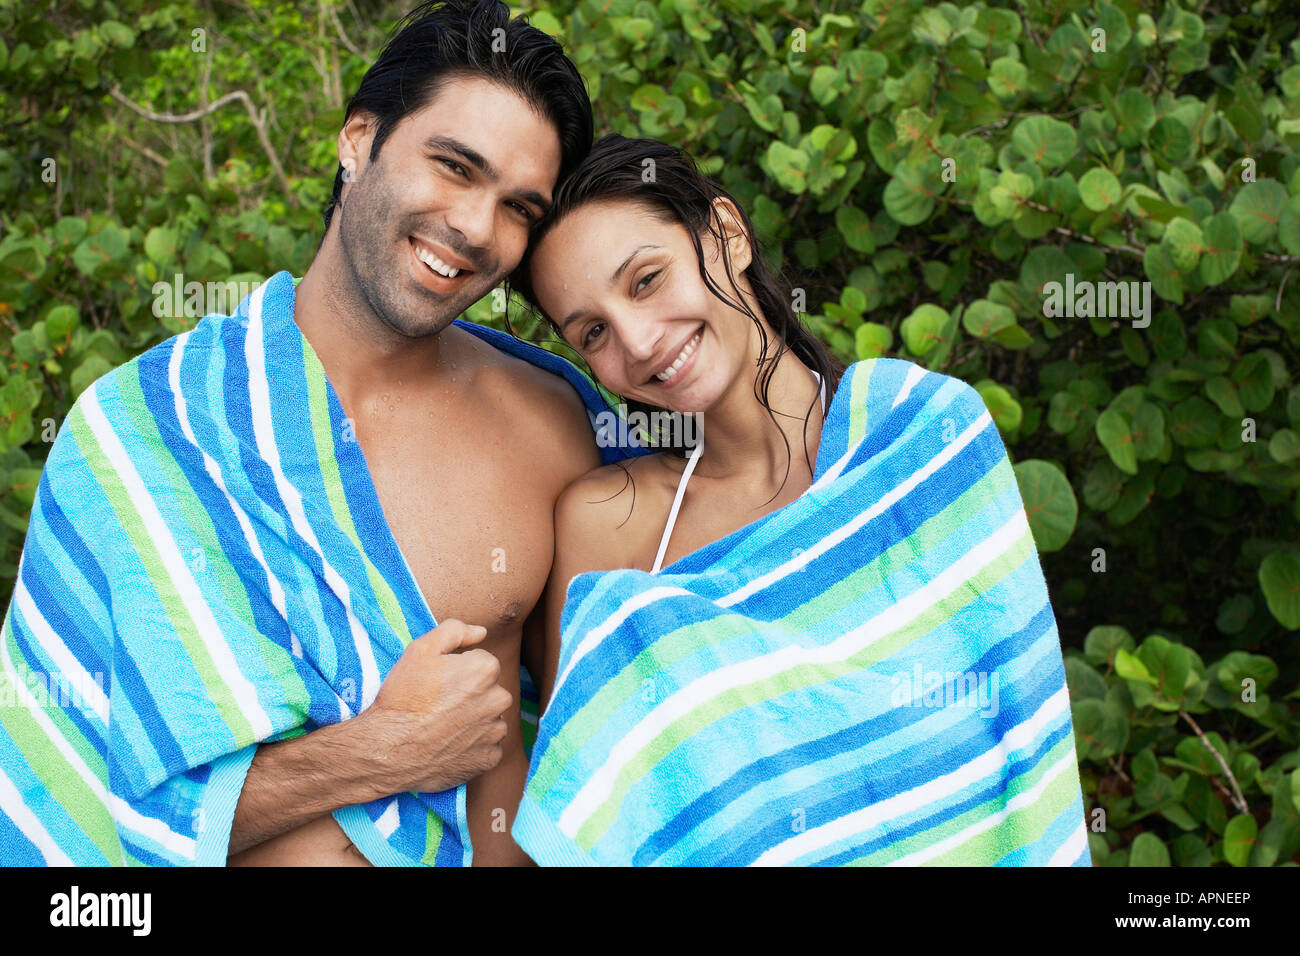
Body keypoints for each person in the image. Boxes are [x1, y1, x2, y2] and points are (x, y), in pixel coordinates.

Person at [0, 0, 645, 867]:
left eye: (518, 208)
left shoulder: (553, 427)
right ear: (358, 139)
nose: (474, 227)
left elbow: (597, 758)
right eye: (455, 166)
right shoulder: (145, 433)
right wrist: (383, 750)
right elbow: (85, 799)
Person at [505, 135, 1093, 866]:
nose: (639, 341)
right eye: (593, 331)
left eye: (647, 280)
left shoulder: (920, 437)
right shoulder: (609, 526)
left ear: (727, 233)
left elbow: (1023, 739)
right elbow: (595, 816)